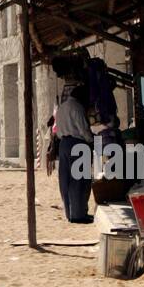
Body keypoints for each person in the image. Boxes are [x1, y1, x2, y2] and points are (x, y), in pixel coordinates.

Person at [54, 84, 94, 223]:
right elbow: (83, 129)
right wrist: (91, 140)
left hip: (63, 144)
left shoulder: (62, 108)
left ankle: (69, 213)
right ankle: (78, 214)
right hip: (77, 144)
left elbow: (57, 130)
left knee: (65, 180)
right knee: (79, 180)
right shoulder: (77, 107)